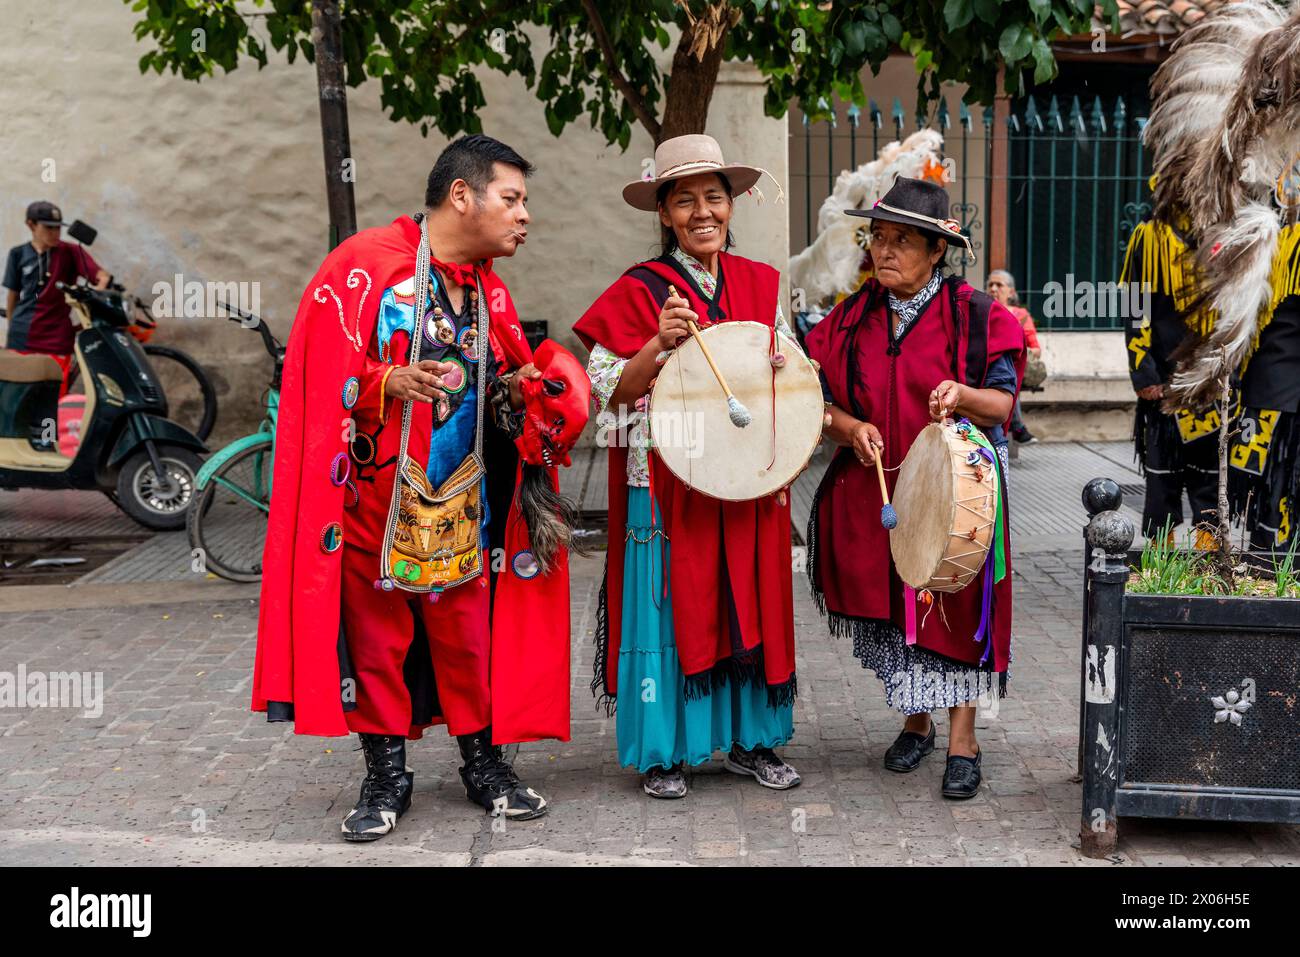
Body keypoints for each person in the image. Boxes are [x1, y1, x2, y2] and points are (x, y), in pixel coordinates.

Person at [253, 134, 589, 842]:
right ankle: (386, 776)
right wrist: (382, 381)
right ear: (462, 196)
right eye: (512, 198)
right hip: (376, 504)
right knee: (377, 643)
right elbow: (316, 380)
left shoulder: (487, 288)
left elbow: (504, 383)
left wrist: (533, 388)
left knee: (470, 638)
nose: (524, 216)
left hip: (464, 503)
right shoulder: (361, 267)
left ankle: (485, 765)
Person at [573, 134, 801, 799]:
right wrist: (657, 345)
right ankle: (663, 750)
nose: (702, 212)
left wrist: (783, 370)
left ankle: (753, 741)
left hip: (747, 480)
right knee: (669, 610)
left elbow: (789, 380)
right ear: (665, 214)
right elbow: (609, 393)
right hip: (665, 486)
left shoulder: (761, 283)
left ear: (732, 204)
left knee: (749, 606)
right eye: (684, 201)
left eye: (714, 197)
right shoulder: (639, 291)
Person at [805, 177, 1025, 799]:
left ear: (936, 252)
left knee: (954, 602)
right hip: (881, 487)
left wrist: (962, 395)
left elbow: (1002, 402)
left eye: (903, 241)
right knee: (899, 602)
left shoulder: (977, 316)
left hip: (958, 489)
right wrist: (851, 428)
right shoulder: (850, 318)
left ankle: (963, 739)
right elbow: (817, 403)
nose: (885, 251)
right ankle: (915, 718)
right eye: (878, 237)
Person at [1118, 215, 1218, 544]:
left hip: (1210, 378)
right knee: (1163, 474)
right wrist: (1144, 372)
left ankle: (1212, 552)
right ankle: (1162, 555)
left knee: (1211, 474)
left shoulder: (1222, 231)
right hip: (1162, 378)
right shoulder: (1149, 235)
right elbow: (1134, 305)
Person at [3, 201, 109, 361]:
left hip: (56, 337)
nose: (55, 233)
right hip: (22, 334)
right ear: (31, 225)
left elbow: (102, 276)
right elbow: (13, 296)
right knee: (19, 384)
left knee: (57, 384)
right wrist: (12, 328)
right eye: (48, 227)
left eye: (58, 228)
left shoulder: (71, 252)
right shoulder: (17, 254)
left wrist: (98, 291)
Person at [986, 269, 1039, 444]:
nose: (993, 289)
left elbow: (1035, 349)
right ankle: (1017, 429)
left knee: (1006, 379)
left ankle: (1015, 427)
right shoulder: (982, 311)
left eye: (999, 285)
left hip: (1012, 368)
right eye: (990, 285)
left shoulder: (1020, 315)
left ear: (1011, 292)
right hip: (986, 367)